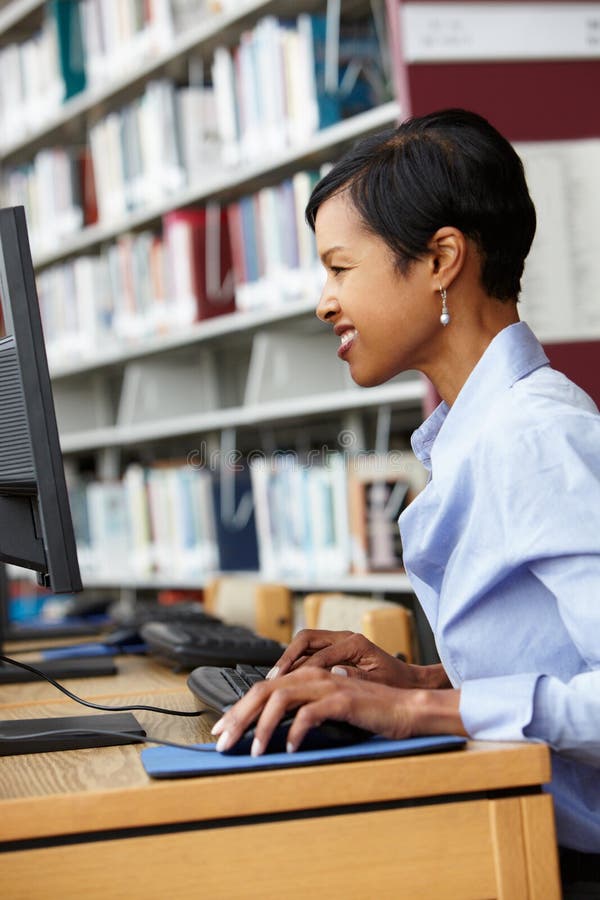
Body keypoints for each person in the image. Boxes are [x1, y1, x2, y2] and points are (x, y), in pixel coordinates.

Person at [211, 108, 600, 893]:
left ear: (441, 259)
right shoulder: (475, 433)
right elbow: (557, 662)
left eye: (340, 268)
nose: (324, 302)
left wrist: (416, 716)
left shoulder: (536, 436)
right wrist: (417, 683)